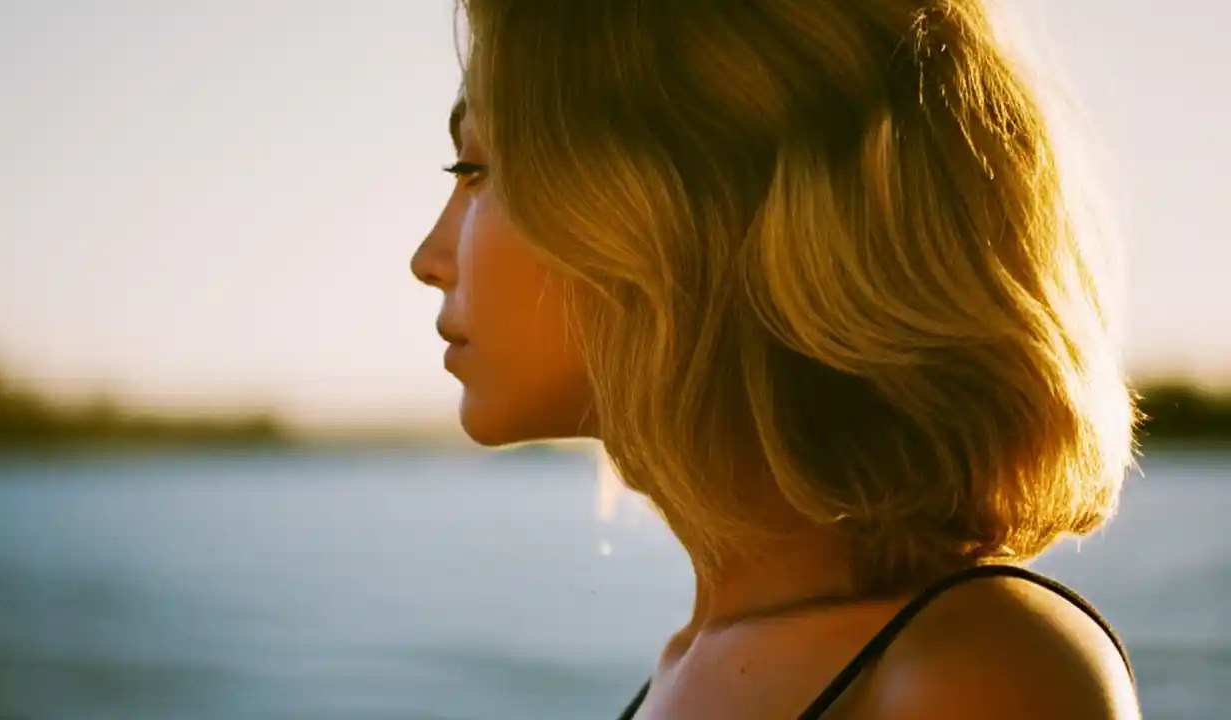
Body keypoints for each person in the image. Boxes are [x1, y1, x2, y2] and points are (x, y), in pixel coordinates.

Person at [410, 1, 1141, 717]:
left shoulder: (975, 678)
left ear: (682, 202)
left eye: (474, 170)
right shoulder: (693, 662)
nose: (428, 259)